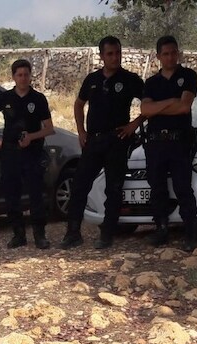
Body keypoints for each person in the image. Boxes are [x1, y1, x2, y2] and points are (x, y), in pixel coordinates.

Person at [59, 36, 145, 250]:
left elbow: (149, 104)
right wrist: (81, 131)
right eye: (110, 54)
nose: (115, 57)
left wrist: (134, 124)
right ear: (102, 56)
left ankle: (107, 234)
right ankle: (72, 233)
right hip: (93, 140)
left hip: (117, 139)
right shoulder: (92, 79)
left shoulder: (130, 79)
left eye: (118, 53)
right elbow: (78, 105)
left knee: (113, 188)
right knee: (80, 185)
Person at [0, 59, 55, 249]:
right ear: (13, 77)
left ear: (30, 76)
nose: (23, 78)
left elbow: (49, 128)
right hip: (10, 153)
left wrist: (31, 137)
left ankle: (39, 235)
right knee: (11, 194)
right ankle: (18, 234)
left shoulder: (38, 99)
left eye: (26, 75)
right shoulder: (5, 98)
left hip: (32, 153)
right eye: (19, 75)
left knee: (36, 194)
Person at [140, 35, 197, 252]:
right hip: (156, 142)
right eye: (165, 54)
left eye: (174, 52)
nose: (170, 57)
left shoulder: (188, 75)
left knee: (183, 187)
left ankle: (190, 233)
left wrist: (158, 107)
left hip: (179, 141)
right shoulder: (151, 83)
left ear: (178, 53)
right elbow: (145, 110)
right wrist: (171, 102)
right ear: (158, 56)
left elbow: (184, 107)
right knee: (157, 188)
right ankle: (161, 229)